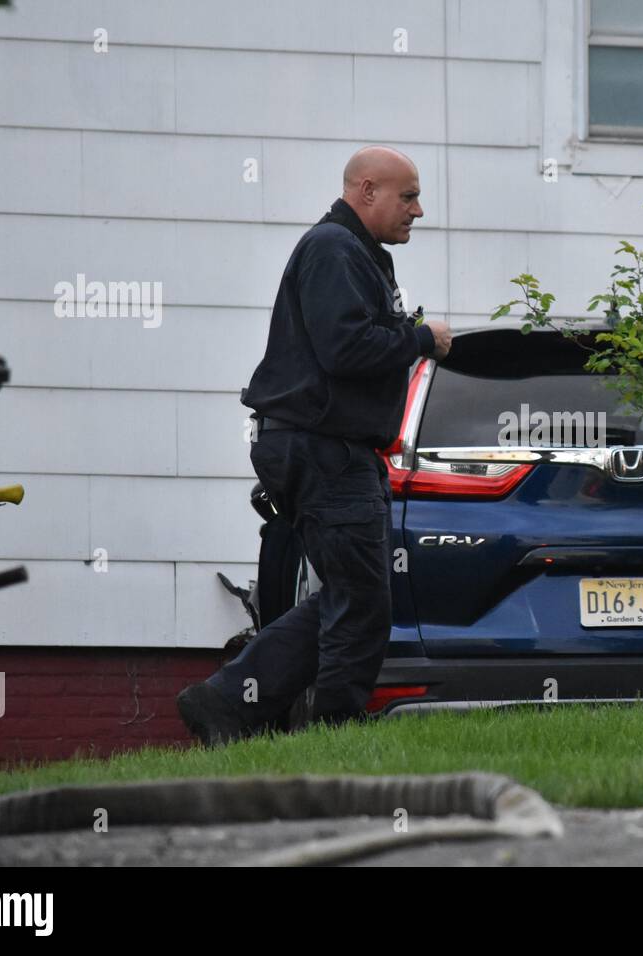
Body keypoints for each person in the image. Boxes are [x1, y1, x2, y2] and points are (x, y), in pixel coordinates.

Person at [177, 146, 451, 745]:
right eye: (408, 197)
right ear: (366, 190)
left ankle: (226, 699)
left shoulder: (358, 254)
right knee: (361, 604)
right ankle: (333, 735)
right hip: (325, 451)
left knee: (352, 597)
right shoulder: (334, 249)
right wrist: (419, 338)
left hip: (330, 450)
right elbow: (346, 349)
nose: (419, 210)